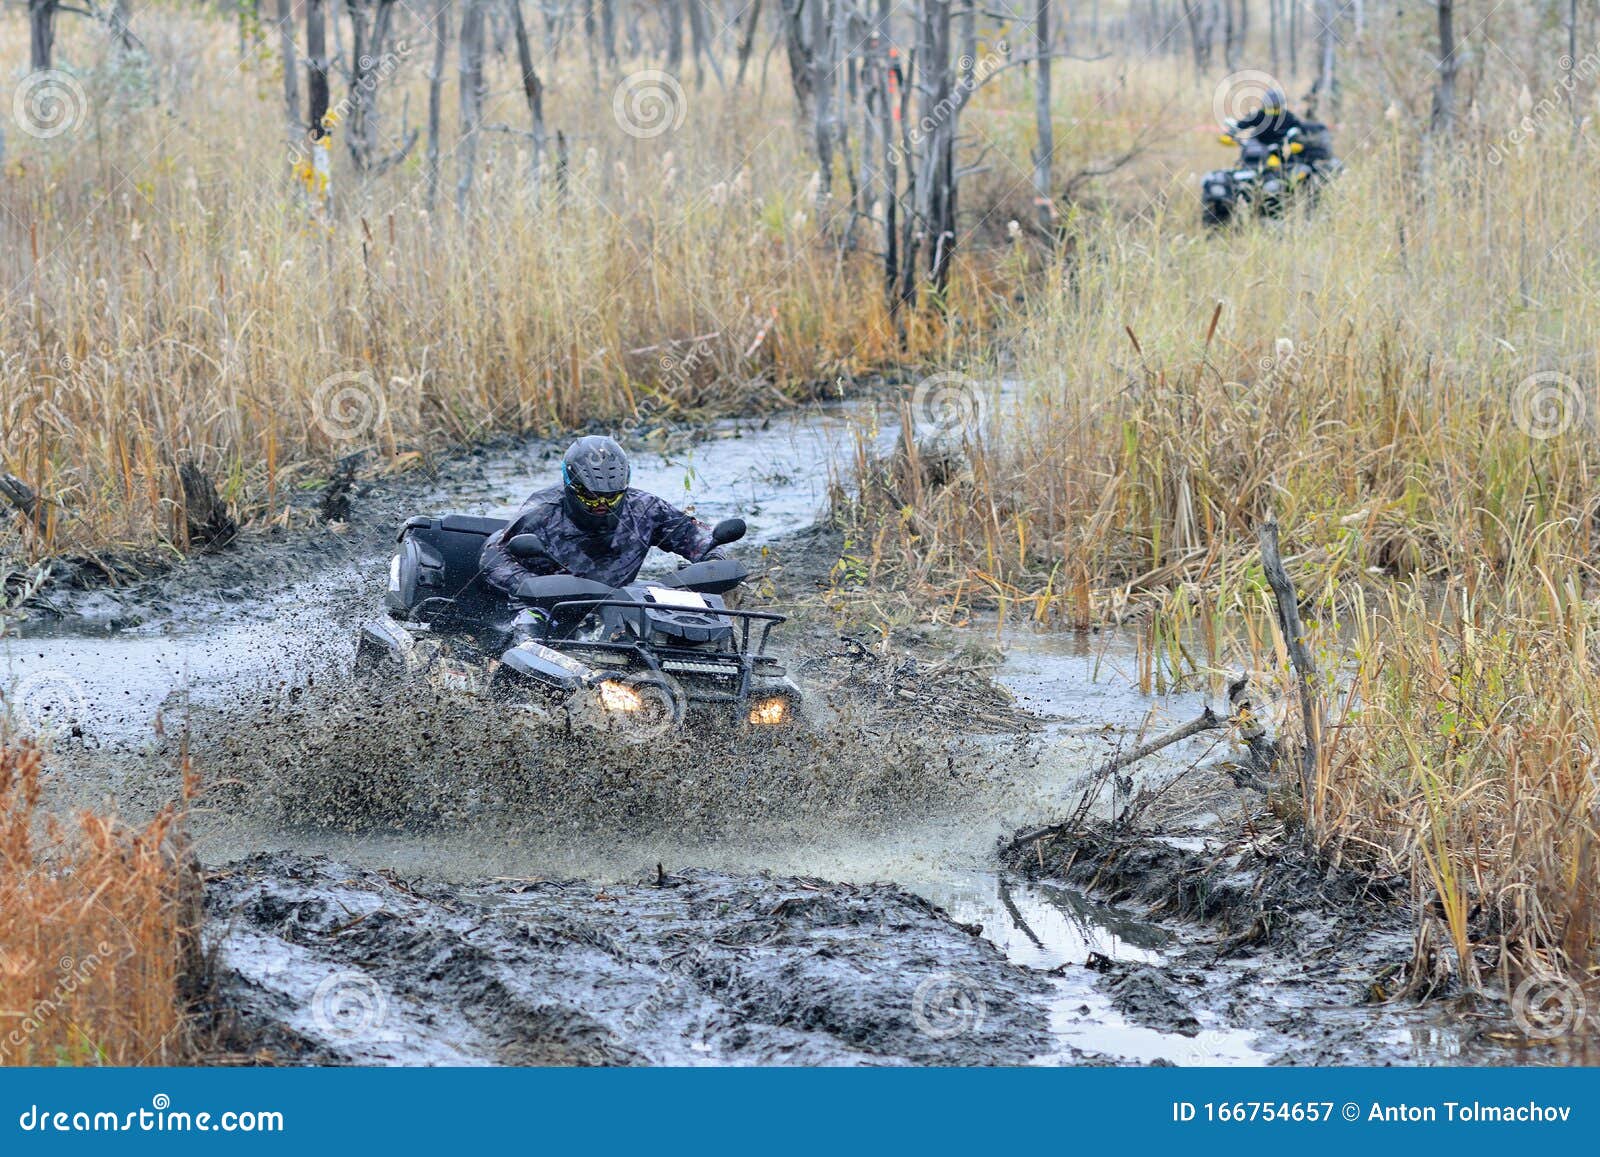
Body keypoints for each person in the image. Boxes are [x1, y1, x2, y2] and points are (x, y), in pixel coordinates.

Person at [478, 435, 725, 597]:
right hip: (548, 604)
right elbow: (494, 554)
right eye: (591, 497)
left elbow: (696, 536)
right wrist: (530, 585)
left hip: (620, 601)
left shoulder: (645, 508)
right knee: (528, 630)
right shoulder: (541, 512)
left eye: (612, 497)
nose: (601, 505)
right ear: (571, 486)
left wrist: (713, 560)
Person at [1224, 88, 1305, 148]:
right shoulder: (1258, 115)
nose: (1272, 110)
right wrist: (1230, 134)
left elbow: (1298, 127)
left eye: (1276, 107)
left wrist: (1295, 138)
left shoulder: (1288, 117)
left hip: (1280, 150)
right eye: (1269, 107)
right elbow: (1241, 124)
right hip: (1258, 147)